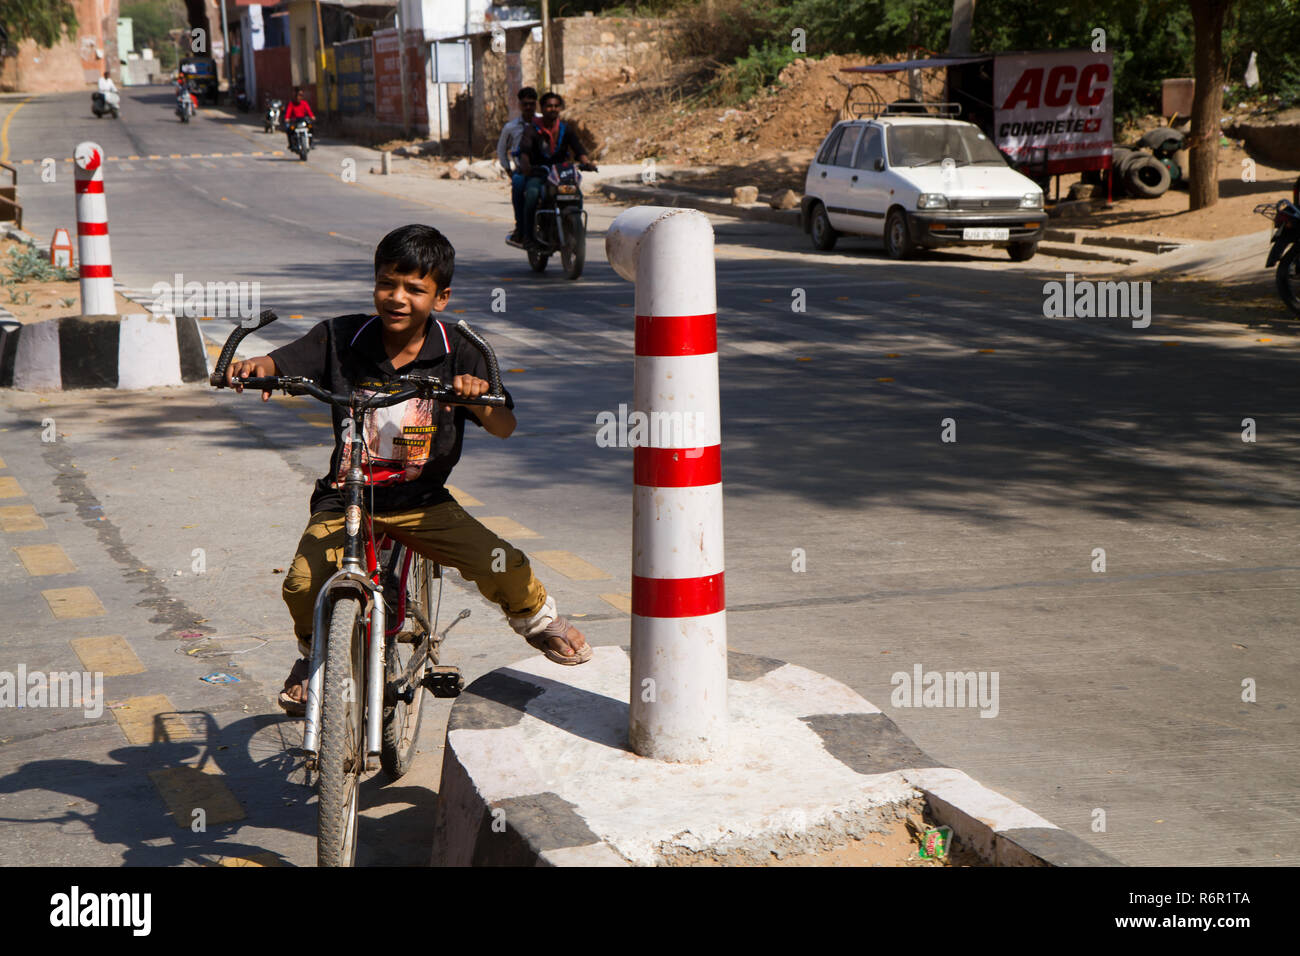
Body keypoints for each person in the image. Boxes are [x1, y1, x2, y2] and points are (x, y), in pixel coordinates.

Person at [224, 224, 593, 716]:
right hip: (348, 497)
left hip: (422, 501)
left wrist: (476, 397)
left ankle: (538, 620)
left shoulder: (461, 348)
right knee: (299, 583)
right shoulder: (339, 337)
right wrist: (257, 367)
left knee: (500, 562)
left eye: (415, 289)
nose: (397, 298)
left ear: (440, 297)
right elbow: (281, 359)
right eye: (387, 283)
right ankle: (315, 658)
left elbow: (504, 426)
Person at [516, 92, 596, 249]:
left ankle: (572, 227)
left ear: (560, 108)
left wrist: (587, 163)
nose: (553, 109)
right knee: (532, 194)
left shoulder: (566, 129)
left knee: (576, 194)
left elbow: (578, 149)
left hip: (561, 174)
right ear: (543, 108)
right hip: (539, 173)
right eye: (549, 106)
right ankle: (528, 236)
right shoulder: (532, 129)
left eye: (556, 106)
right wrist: (526, 166)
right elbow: (524, 151)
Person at [496, 86, 538, 246]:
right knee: (518, 188)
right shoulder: (510, 127)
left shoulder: (542, 122)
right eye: (525, 104)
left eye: (532, 104)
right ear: (520, 105)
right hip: (521, 171)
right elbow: (501, 150)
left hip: (542, 170)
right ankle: (521, 229)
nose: (528, 107)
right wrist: (508, 170)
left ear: (536, 105)